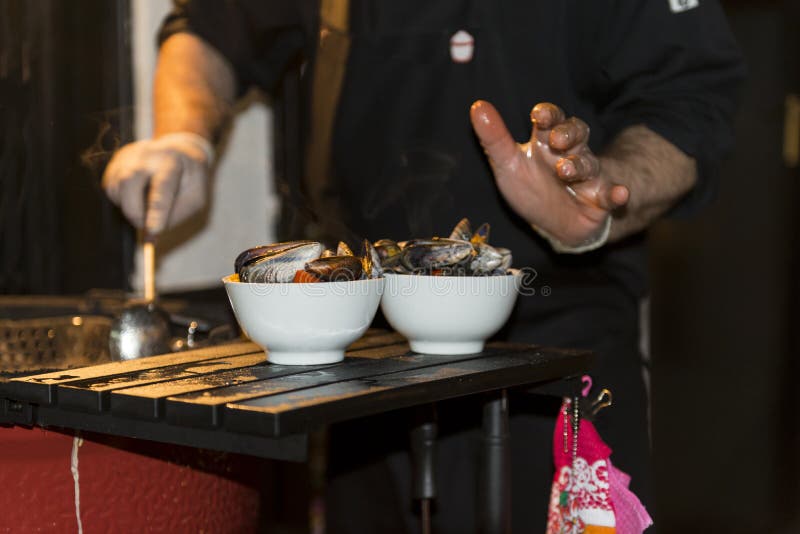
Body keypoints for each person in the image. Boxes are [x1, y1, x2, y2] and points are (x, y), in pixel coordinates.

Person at [103, 1, 745, 531]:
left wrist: (604, 195)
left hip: (554, 347)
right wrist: (182, 134)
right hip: (364, 367)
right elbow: (209, 27)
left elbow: (689, 98)